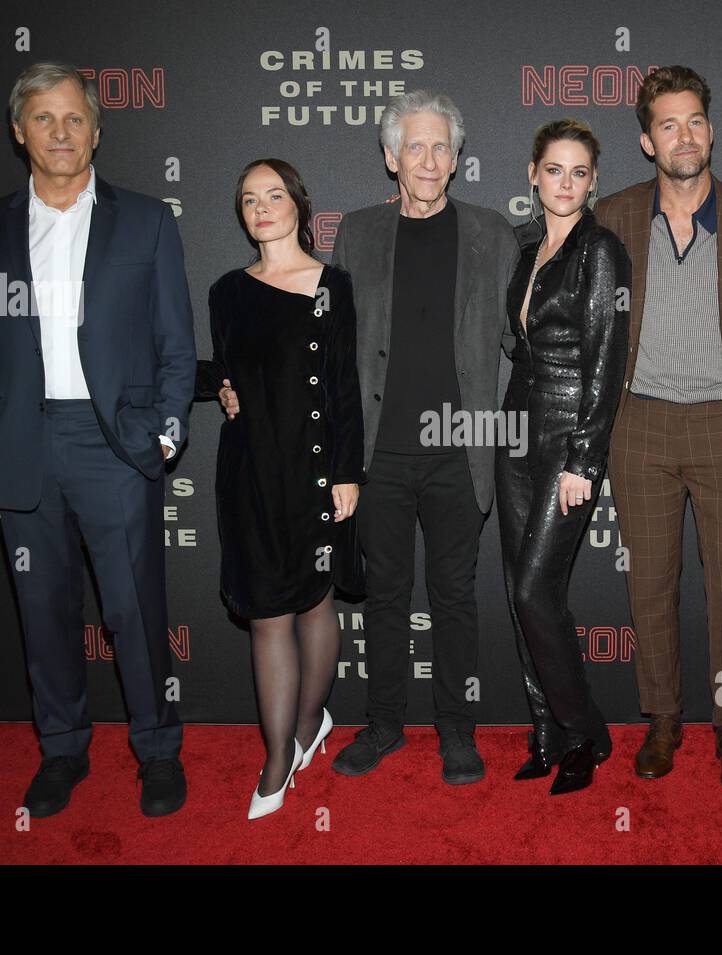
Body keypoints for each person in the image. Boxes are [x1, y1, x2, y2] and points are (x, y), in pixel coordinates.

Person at [221, 91, 519, 785]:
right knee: (383, 596)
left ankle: (456, 730)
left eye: (441, 147)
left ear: (457, 158)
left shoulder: (493, 234)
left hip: (460, 450)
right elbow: (316, 344)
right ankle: (384, 723)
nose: (428, 159)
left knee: (453, 596)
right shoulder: (355, 234)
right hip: (377, 455)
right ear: (390, 157)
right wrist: (227, 378)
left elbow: (522, 337)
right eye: (414, 146)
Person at [0, 62, 195, 818]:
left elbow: (176, 346)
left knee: (135, 610)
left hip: (112, 445)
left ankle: (156, 750)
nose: (61, 133)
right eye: (44, 119)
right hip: (19, 443)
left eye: (75, 119)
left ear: (97, 129)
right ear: (19, 131)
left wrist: (165, 435)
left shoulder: (146, 219)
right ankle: (61, 749)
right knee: (41, 608)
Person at [595, 66, 722, 794]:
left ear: (711, 128)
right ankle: (663, 718)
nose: (685, 135)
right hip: (637, 426)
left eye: (696, 121)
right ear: (648, 141)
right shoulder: (612, 214)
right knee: (651, 584)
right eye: (669, 124)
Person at [197, 160, 365, 819]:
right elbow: (231, 370)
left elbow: (345, 384)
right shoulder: (225, 292)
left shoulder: (332, 285)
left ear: (298, 204)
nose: (262, 207)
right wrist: (216, 383)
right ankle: (276, 756)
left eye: (274, 195)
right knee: (267, 613)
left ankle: (306, 727)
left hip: (315, 469)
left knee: (316, 605)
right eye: (249, 199)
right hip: (249, 471)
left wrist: (348, 473)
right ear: (241, 214)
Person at [497, 119, 630, 795]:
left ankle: (586, 731)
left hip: (567, 429)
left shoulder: (600, 251)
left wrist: (585, 456)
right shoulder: (525, 249)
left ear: (593, 181)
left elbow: (607, 361)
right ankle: (545, 732)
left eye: (580, 172)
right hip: (515, 425)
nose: (566, 183)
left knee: (534, 589)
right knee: (520, 590)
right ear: (532, 172)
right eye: (554, 169)